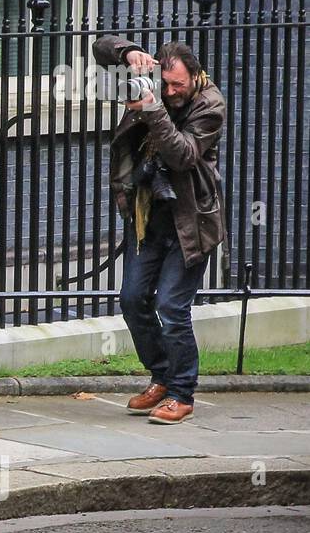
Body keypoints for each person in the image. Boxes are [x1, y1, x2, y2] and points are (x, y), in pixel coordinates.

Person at [93, 36, 226, 424]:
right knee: (133, 300)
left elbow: (182, 155)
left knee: (171, 306)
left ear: (194, 76)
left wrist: (153, 108)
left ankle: (182, 393)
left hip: (190, 224)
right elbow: (100, 49)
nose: (170, 92)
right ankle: (162, 377)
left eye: (177, 86)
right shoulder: (151, 82)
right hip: (148, 219)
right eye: (164, 84)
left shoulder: (210, 104)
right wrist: (126, 53)